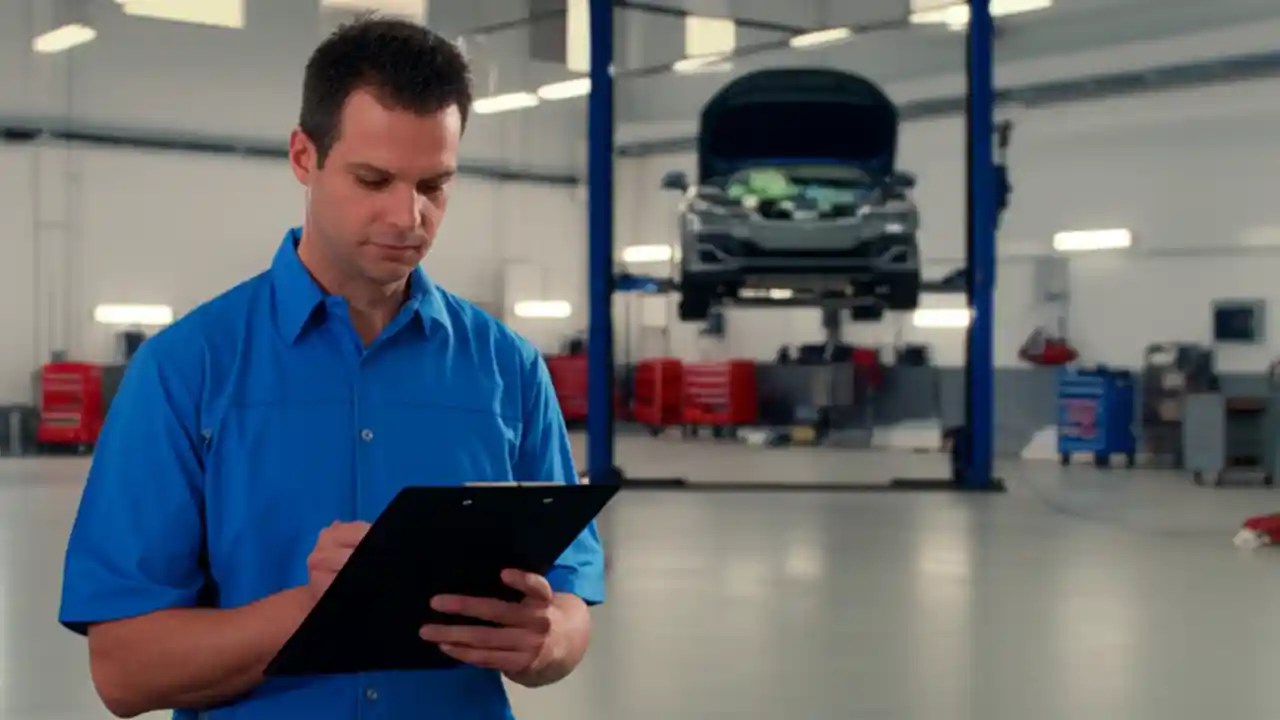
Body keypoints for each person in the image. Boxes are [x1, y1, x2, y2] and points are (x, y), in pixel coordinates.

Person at [58, 17, 605, 720]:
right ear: (303, 156)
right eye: (373, 179)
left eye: (435, 185)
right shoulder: (184, 372)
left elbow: (570, 599)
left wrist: (550, 638)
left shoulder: (509, 371)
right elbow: (125, 673)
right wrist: (320, 608)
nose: (409, 217)